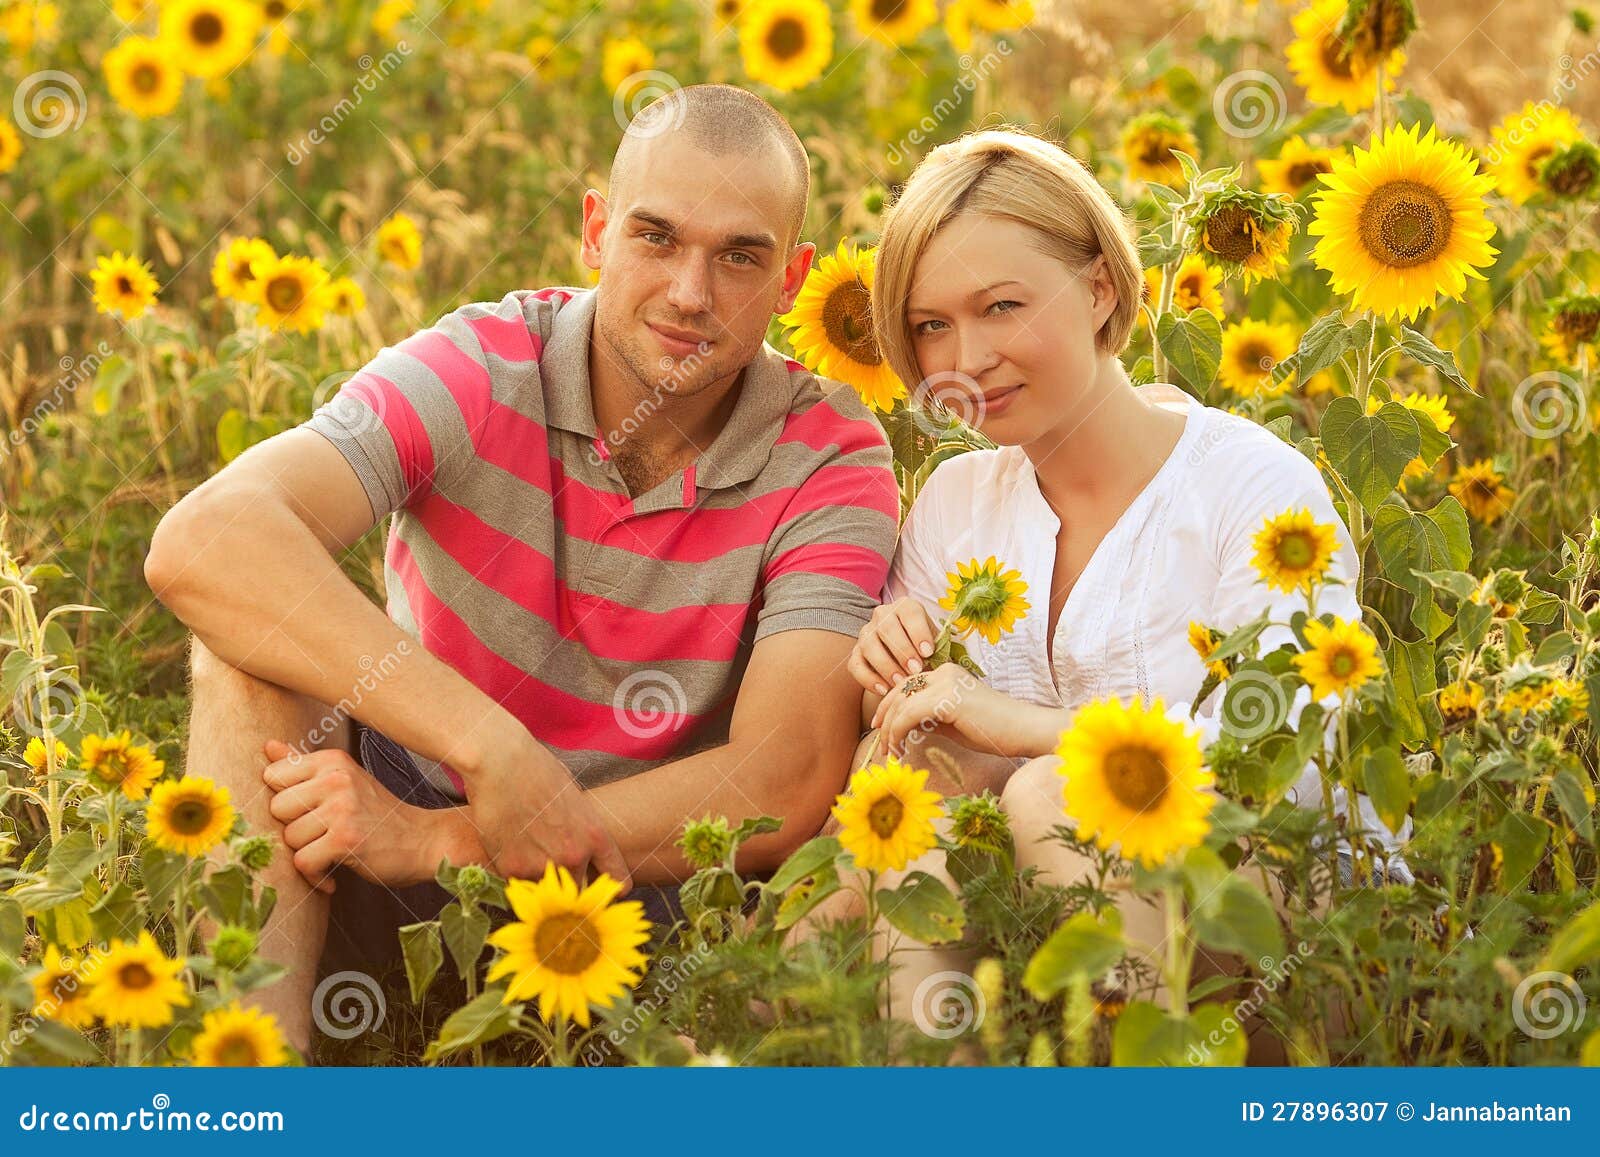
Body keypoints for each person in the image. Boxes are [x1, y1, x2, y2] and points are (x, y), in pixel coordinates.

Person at [144, 84, 900, 1054]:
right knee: (243, 653)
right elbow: (205, 541)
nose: (689, 293)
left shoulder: (829, 452)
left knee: (879, 790)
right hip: (372, 840)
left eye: (739, 256)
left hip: (634, 901)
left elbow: (784, 774)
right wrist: (488, 748)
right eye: (656, 237)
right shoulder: (483, 363)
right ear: (595, 231)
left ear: (791, 279)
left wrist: (458, 838)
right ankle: (252, 1086)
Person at [834, 127, 1408, 1041]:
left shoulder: (1253, 489)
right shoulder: (953, 500)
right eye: (930, 325)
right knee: (903, 810)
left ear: (1100, 285)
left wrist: (1029, 734)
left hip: (1293, 937)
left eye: (1001, 307)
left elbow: (1292, 769)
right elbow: (913, 745)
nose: (965, 359)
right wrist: (895, 680)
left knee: (1053, 795)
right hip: (1051, 937)